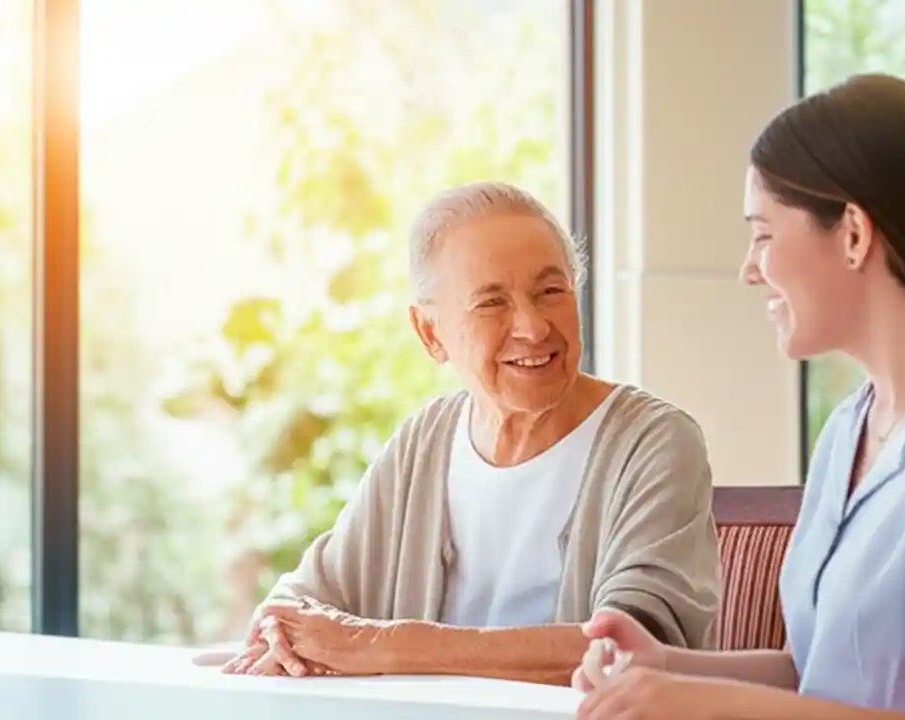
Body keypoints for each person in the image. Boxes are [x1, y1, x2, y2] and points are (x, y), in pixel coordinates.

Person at [571, 74, 905, 720]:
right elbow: (821, 675)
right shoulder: (854, 426)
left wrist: (700, 704)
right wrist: (666, 666)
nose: (750, 267)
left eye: (764, 234)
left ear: (854, 233)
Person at [212, 181, 720, 685]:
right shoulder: (424, 443)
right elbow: (299, 602)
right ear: (431, 333)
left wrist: (380, 644)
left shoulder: (654, 442)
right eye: (492, 303)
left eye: (551, 291)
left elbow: (632, 650)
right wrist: (288, 629)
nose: (533, 327)